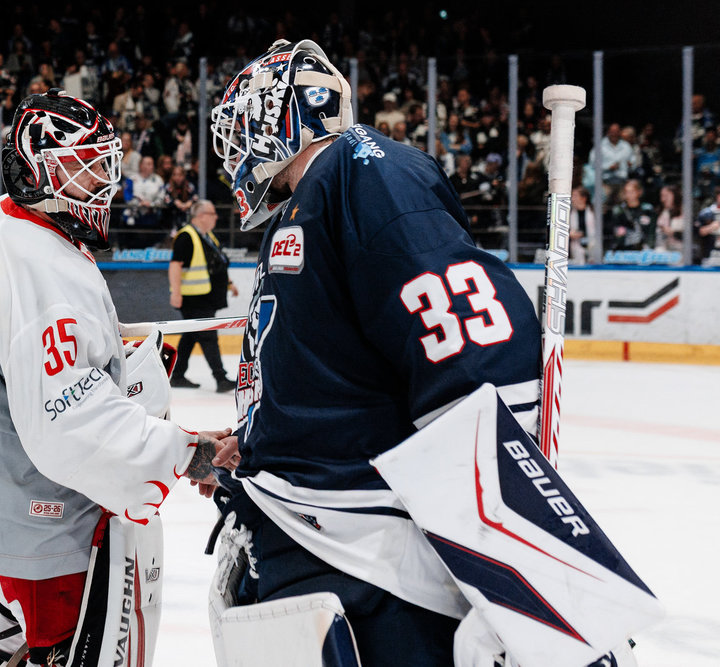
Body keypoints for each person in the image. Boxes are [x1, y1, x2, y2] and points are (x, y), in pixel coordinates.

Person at [208, 39, 543, 666]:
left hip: (366, 562)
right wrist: (261, 437)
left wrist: (506, 575)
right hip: (309, 537)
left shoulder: (368, 172)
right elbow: (334, 367)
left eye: (242, 127)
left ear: (282, 117)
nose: (234, 150)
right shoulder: (315, 198)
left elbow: (471, 362)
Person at [0, 89, 234, 667]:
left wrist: (109, 355)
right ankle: (22, 617)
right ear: (35, 172)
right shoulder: (41, 272)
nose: (104, 183)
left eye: (105, 165)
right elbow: (70, 424)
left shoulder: (0, 220)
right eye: (84, 168)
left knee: (29, 605)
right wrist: (193, 454)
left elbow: (36, 360)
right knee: (66, 641)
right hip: (36, 512)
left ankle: (8, 615)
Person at [168, 200, 237, 392]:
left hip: (206, 296)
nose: (216, 217)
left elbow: (216, 264)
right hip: (193, 297)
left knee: (191, 336)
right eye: (212, 213)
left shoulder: (208, 237)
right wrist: (176, 292)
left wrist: (229, 284)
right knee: (208, 335)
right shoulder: (186, 237)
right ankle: (221, 378)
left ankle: (178, 375)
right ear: (200, 216)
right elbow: (175, 266)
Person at [609, 179, 655, 251]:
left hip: (644, 248)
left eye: (632, 191)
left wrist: (649, 246)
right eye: (627, 192)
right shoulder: (619, 211)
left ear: (639, 192)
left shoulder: (647, 209)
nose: (629, 195)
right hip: (624, 248)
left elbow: (652, 232)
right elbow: (616, 231)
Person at [570, 186, 596, 264]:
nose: (572, 199)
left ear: (584, 198)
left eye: (575, 196)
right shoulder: (570, 213)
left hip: (592, 244)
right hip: (575, 245)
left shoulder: (594, 212)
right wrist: (570, 233)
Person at [655, 184, 684, 253]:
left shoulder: (685, 212)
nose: (663, 199)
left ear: (675, 195)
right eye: (662, 196)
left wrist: (674, 233)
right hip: (662, 250)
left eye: (666, 196)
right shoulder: (660, 212)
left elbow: (691, 234)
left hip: (680, 251)